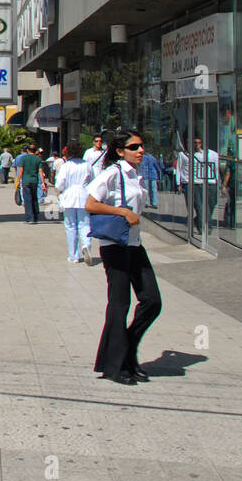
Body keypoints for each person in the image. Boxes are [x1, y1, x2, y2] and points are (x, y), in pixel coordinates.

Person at [86, 129, 161, 386]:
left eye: (142, 146)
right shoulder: (112, 173)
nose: (141, 150)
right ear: (120, 151)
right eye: (134, 147)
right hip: (115, 245)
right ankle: (115, 367)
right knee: (120, 305)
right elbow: (91, 203)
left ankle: (126, 352)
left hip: (134, 244)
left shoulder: (135, 175)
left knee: (152, 300)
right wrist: (122, 212)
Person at [55, 140, 93, 263]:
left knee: (70, 226)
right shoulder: (87, 165)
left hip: (69, 197)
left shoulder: (66, 166)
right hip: (83, 196)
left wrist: (60, 190)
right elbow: (92, 180)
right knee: (84, 224)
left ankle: (73, 255)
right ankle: (86, 245)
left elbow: (60, 184)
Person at [14, 143, 46, 223]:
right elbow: (40, 171)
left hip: (26, 181)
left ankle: (30, 217)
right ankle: (35, 216)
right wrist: (43, 182)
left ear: (28, 150)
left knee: (28, 199)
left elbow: (21, 171)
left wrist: (18, 180)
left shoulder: (23, 159)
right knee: (34, 198)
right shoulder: (38, 159)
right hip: (34, 181)